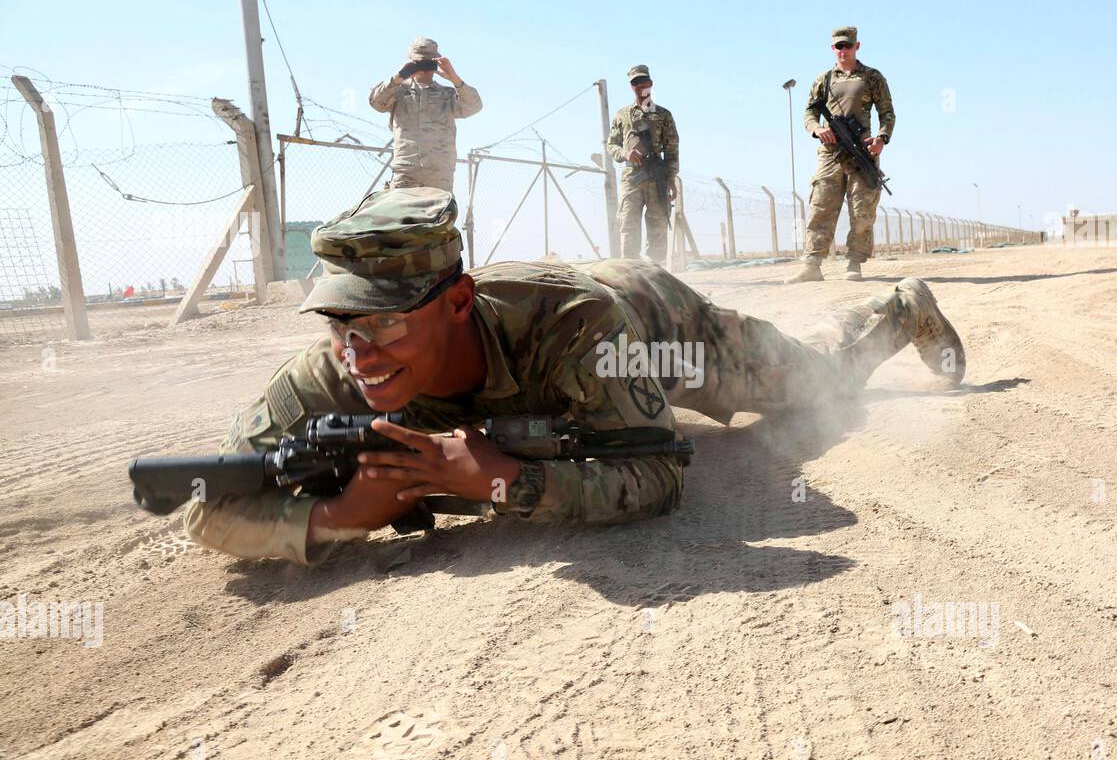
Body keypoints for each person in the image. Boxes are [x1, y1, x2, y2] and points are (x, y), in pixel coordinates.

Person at [183, 187, 965, 567]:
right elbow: (205, 509)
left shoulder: (572, 327)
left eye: (385, 321)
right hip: (588, 343)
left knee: (807, 386)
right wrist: (342, 514)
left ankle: (902, 307)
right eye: (343, 324)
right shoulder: (330, 373)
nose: (361, 352)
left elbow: (658, 472)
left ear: (457, 301)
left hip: (646, 323)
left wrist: (510, 482)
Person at [788, 26, 895, 284]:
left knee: (862, 209)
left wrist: (881, 138)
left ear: (857, 46)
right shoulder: (823, 80)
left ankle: (854, 263)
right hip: (830, 153)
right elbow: (809, 113)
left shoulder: (872, 77)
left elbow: (887, 113)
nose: (843, 50)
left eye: (848, 45)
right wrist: (817, 130)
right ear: (832, 48)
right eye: (839, 46)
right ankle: (812, 264)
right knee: (821, 206)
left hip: (863, 151)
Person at [368, 37, 483, 193]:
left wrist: (454, 78)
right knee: (402, 217)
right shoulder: (397, 91)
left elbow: (474, 106)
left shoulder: (447, 94)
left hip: (439, 173)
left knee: (439, 217)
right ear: (410, 62)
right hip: (406, 172)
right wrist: (398, 77)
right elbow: (376, 102)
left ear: (436, 63)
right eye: (419, 62)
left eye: (428, 62)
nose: (423, 67)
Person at [606, 65, 680, 263]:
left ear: (651, 83)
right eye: (635, 82)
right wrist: (625, 153)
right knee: (628, 226)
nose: (640, 85)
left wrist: (671, 179)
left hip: (657, 177)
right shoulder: (622, 114)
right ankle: (632, 274)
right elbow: (611, 145)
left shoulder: (664, 115)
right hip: (632, 178)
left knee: (657, 227)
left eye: (643, 81)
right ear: (631, 86)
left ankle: (655, 273)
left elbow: (672, 149)